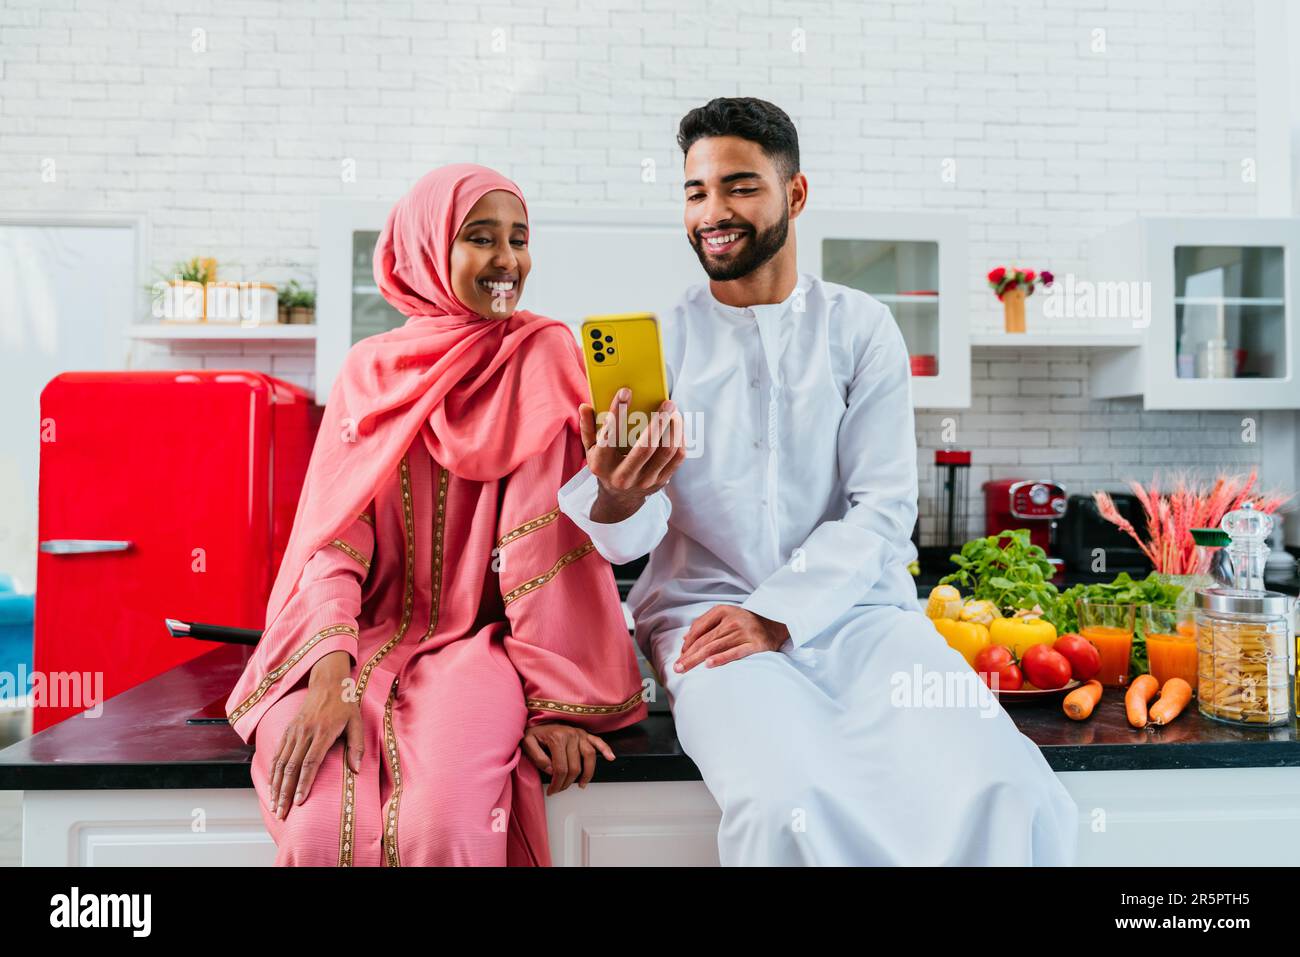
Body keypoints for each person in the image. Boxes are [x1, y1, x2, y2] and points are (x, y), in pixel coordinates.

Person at [558, 98, 1079, 866]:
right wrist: (622, 494)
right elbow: (621, 532)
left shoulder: (861, 327)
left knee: (1008, 789)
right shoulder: (662, 341)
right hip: (708, 625)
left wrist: (777, 614)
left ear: (794, 195)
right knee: (788, 805)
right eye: (696, 192)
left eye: (740, 186)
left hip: (864, 618)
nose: (713, 212)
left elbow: (883, 508)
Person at [225, 164, 649, 866]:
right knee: (314, 821)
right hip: (347, 642)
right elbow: (334, 541)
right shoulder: (369, 372)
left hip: (475, 651)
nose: (508, 260)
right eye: (480, 238)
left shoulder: (542, 355)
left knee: (446, 819)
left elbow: (546, 547)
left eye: (519, 238)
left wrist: (557, 704)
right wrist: (329, 673)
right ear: (426, 251)